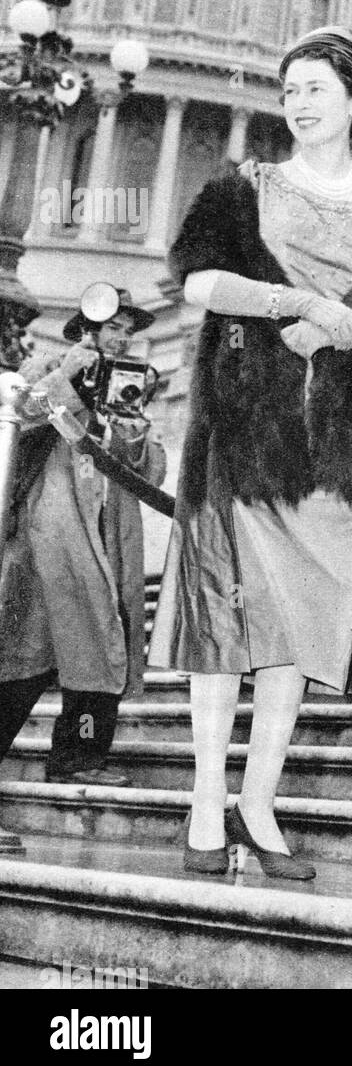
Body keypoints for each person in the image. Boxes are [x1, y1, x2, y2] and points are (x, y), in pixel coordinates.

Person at [149, 25, 352, 880]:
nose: (299, 102)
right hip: (244, 437)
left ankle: (258, 804)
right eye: (290, 88)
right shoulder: (241, 186)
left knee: (302, 633)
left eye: (316, 86)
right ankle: (207, 800)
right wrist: (288, 301)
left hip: (345, 447)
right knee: (228, 625)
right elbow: (197, 280)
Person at [0, 286, 166, 796]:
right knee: (27, 652)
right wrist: (69, 371)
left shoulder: (131, 385)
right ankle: (67, 755)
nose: (121, 338)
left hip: (108, 529)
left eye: (128, 331)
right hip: (51, 528)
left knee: (95, 643)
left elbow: (149, 471)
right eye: (113, 327)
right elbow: (22, 416)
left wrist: (132, 428)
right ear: (87, 327)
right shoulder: (47, 368)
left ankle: (78, 756)